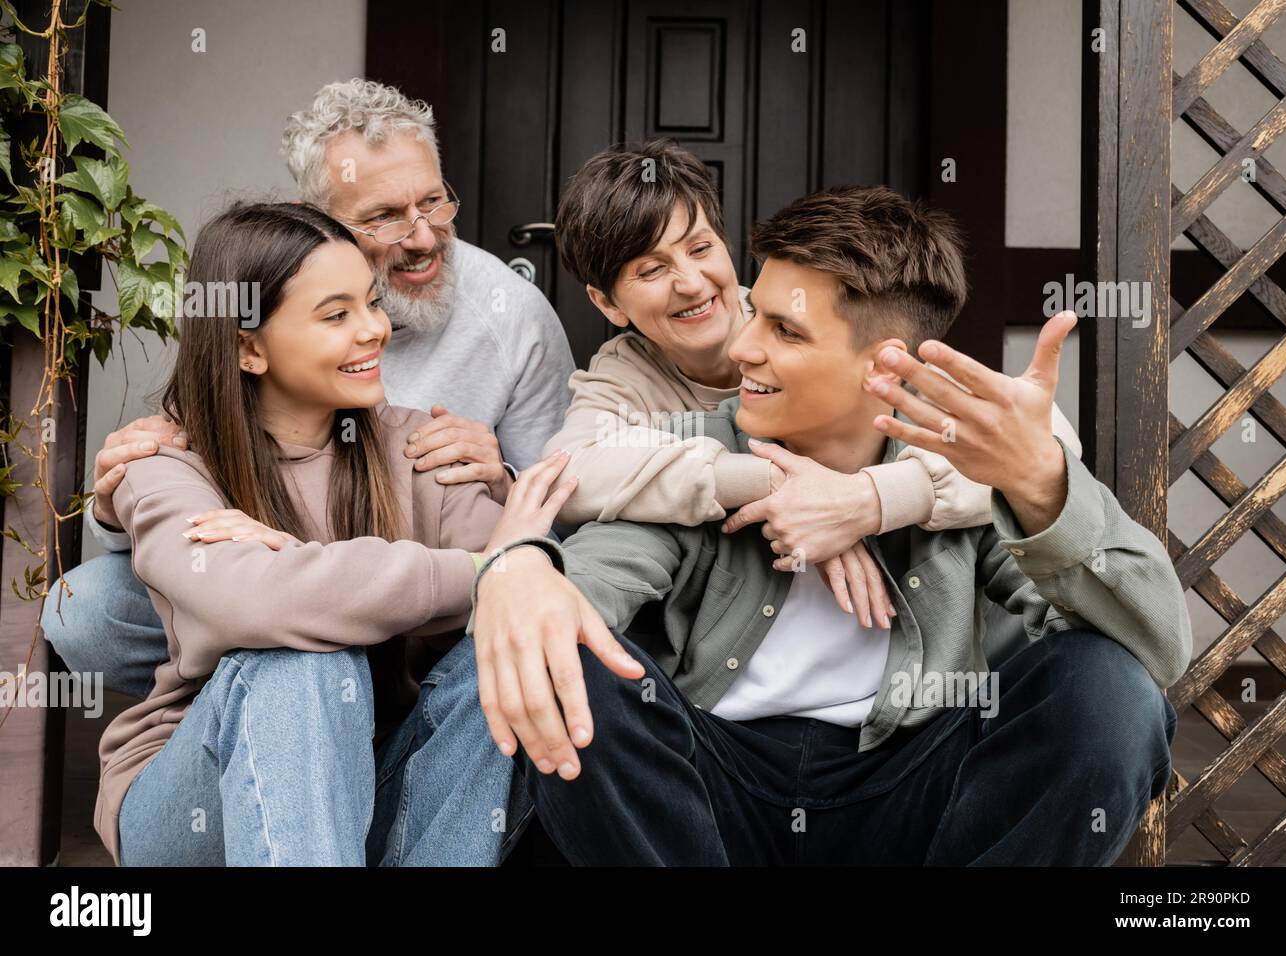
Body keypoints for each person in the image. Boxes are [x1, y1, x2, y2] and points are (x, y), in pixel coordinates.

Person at [466, 185, 1193, 865]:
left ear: (884, 367)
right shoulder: (695, 455)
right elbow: (598, 566)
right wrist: (527, 572)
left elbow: (1153, 645)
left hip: (916, 784)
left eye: (783, 329)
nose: (743, 347)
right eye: (756, 314)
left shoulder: (957, 469)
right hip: (719, 791)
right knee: (565, 651)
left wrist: (1023, 483)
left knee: (1110, 689)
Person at [44, 78, 575, 704]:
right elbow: (193, 478)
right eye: (383, 217)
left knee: (507, 614)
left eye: (433, 202)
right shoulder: (250, 295)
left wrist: (502, 481)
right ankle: (247, 723)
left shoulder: (512, 312)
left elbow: (552, 523)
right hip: (272, 568)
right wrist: (115, 513)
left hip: (423, 612)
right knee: (89, 609)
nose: (424, 237)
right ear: (312, 220)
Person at [96, 201, 566, 866]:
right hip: (195, 808)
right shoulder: (167, 466)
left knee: (501, 650)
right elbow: (256, 604)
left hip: (374, 780)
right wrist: (483, 568)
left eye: (372, 304)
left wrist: (294, 565)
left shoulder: (422, 446)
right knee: (299, 659)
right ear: (247, 346)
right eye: (336, 314)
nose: (375, 329)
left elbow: (517, 585)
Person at [541, 139, 1082, 631]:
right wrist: (780, 486)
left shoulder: (811, 319)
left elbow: (1035, 440)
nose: (691, 282)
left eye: (700, 248)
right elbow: (570, 478)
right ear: (607, 303)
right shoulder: (623, 377)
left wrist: (865, 500)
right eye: (651, 270)